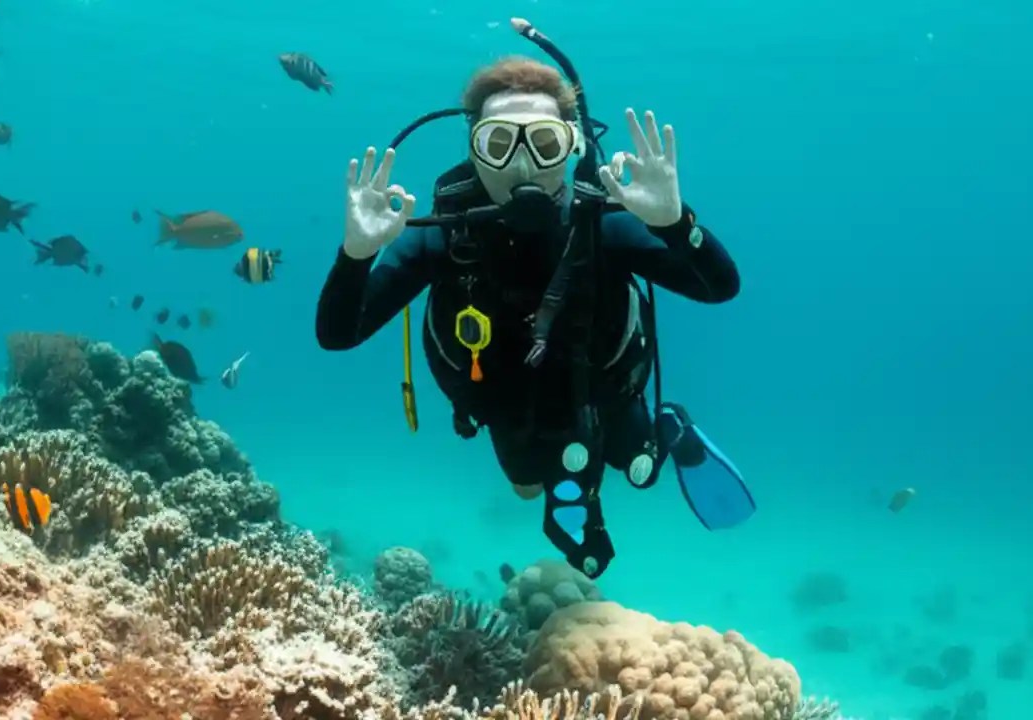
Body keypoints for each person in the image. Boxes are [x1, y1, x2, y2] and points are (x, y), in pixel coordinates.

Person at [315, 20, 755, 578]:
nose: (522, 166)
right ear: (473, 151)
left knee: (636, 466)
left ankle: (669, 428)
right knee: (526, 490)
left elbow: (720, 287)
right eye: (498, 145)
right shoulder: (444, 236)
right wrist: (356, 254)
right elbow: (337, 335)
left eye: (545, 144)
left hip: (608, 393)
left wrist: (674, 223)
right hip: (502, 405)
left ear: (573, 147)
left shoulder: (604, 225)